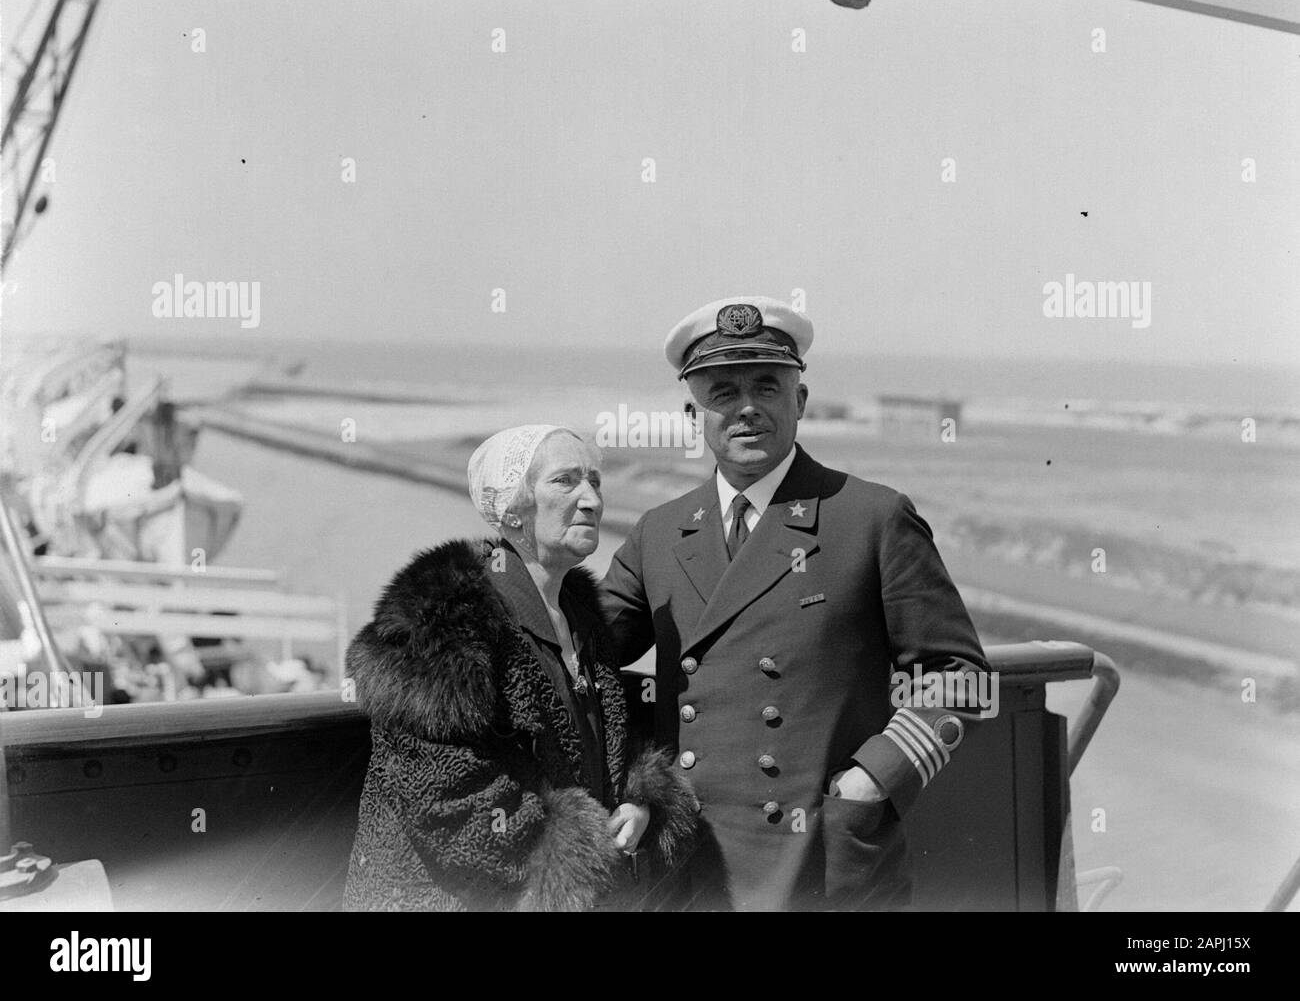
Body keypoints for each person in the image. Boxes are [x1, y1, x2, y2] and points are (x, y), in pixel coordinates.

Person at [600, 297, 991, 911]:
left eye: (767, 386)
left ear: (800, 402)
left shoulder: (871, 517)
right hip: (690, 861)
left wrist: (872, 782)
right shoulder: (660, 531)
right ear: (693, 414)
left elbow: (959, 678)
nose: (747, 406)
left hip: (821, 862)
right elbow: (584, 655)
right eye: (722, 392)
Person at [344, 424, 697, 911]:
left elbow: (602, 750)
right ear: (510, 506)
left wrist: (638, 802)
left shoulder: (582, 620)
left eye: (595, 480)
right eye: (565, 481)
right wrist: (577, 847)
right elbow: (447, 803)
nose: (591, 498)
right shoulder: (442, 623)